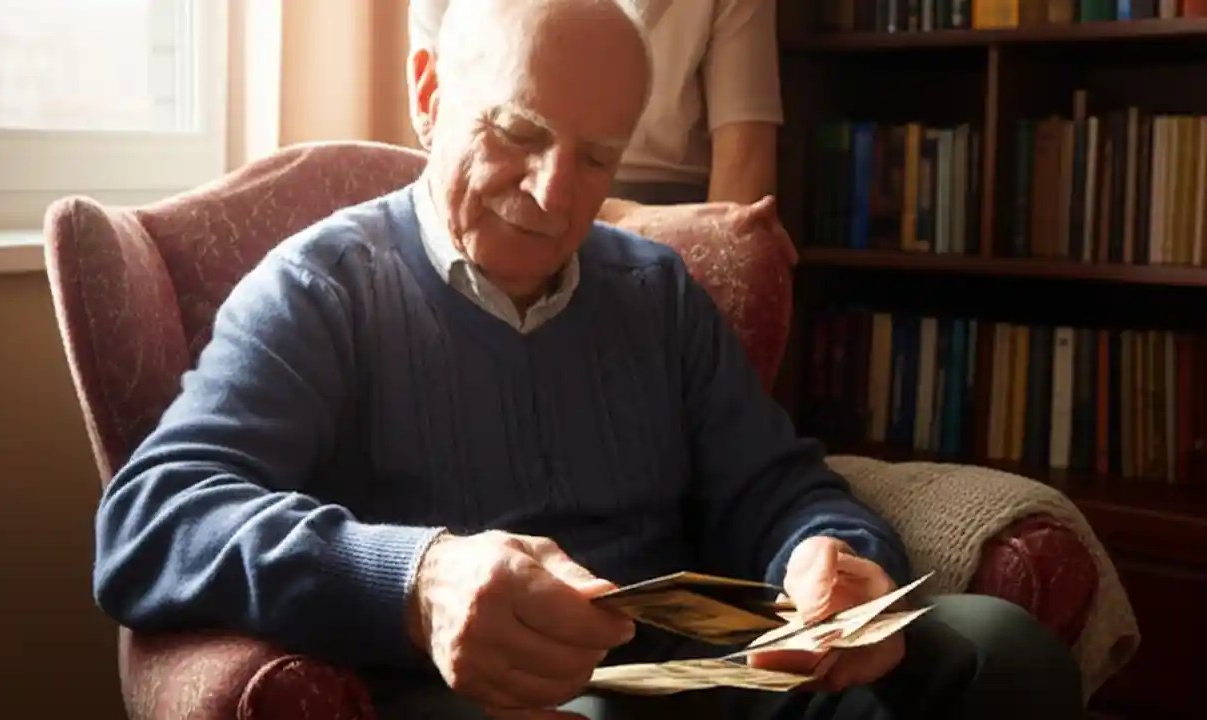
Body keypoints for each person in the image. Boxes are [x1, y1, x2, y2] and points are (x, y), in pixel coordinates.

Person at [91, 1, 1083, 718]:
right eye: (517, 134)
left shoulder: (654, 292)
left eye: (598, 155)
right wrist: (415, 580)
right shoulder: (322, 288)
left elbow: (773, 486)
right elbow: (150, 521)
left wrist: (828, 555)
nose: (557, 195)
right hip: (478, 691)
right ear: (430, 94)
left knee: (1004, 654)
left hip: (708, 665)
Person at [406, 0, 799, 267]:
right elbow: (445, 144)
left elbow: (744, 179)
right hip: (501, 187)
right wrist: (622, 216)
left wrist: (660, 234)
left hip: (676, 221)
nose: (552, 194)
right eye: (518, 128)